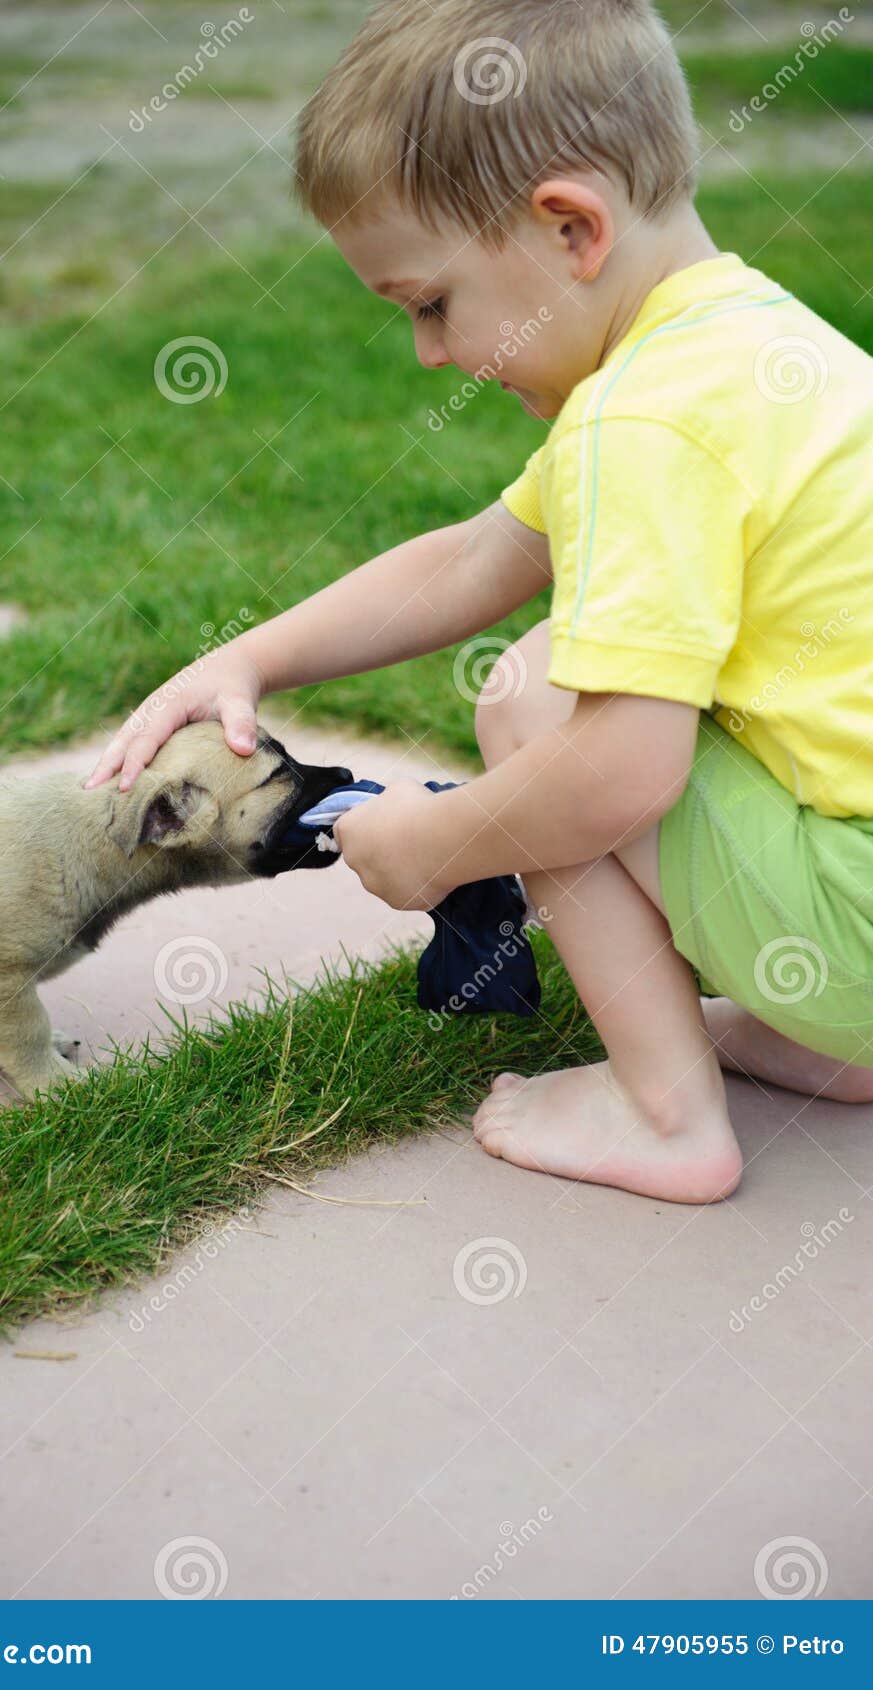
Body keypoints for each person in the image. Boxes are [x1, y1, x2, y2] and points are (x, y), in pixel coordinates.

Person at [87, 0, 873, 1204]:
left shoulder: (644, 420)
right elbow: (470, 559)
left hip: (855, 925)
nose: (427, 354)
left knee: (538, 695)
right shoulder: (757, 344)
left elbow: (621, 771)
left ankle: (667, 1113)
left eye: (430, 302)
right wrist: (249, 658)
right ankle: (829, 1043)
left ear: (569, 228)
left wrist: (435, 845)